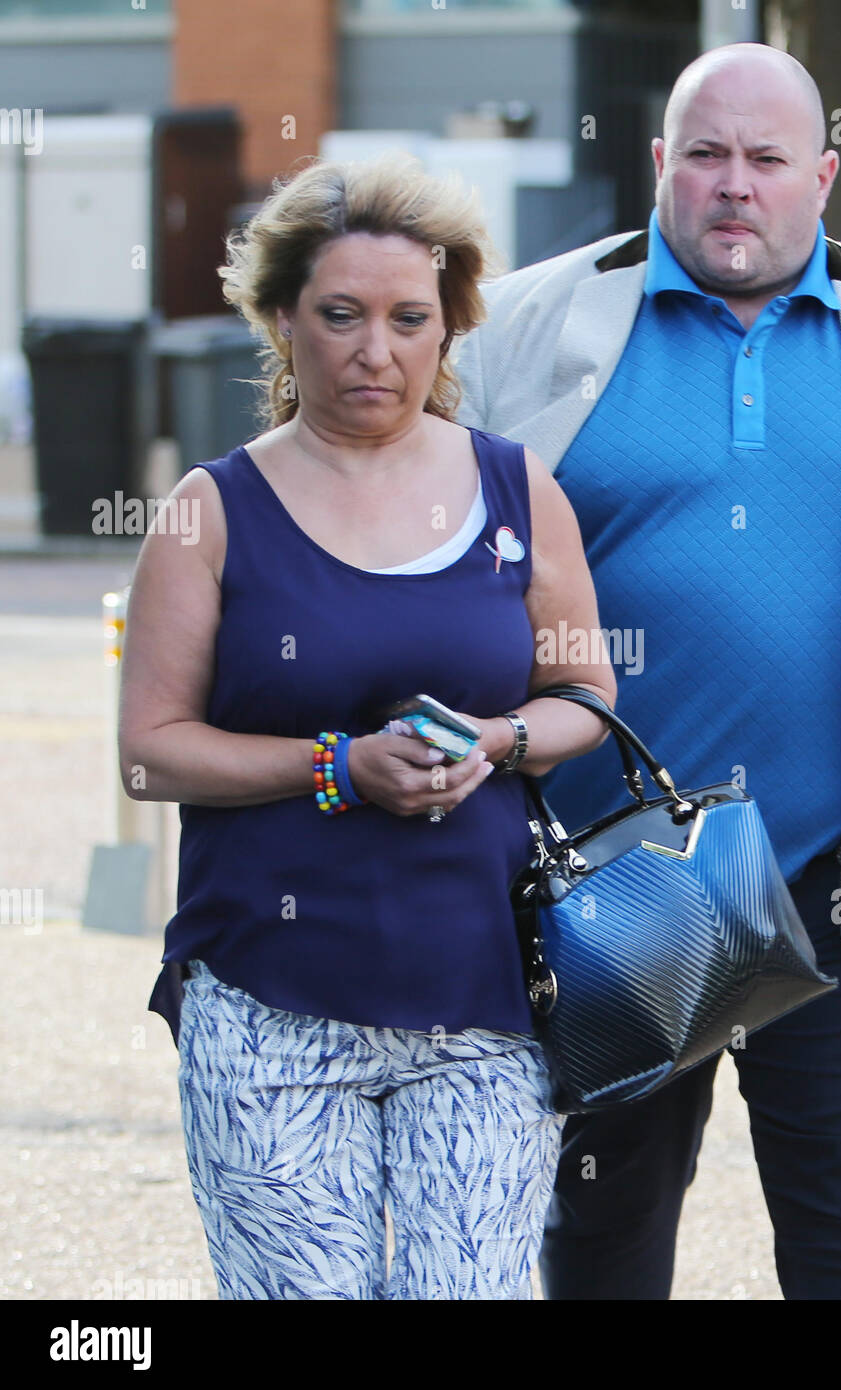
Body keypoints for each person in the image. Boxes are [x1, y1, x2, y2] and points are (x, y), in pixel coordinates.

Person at [453, 43, 841, 1299]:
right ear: (657, 167)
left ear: (821, 174)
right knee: (603, 1212)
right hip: (613, 877)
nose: (732, 185)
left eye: (763, 159)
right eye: (703, 156)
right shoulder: (518, 328)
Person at [119, 154, 616, 1300]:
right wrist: (338, 766)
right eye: (339, 315)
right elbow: (150, 750)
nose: (374, 350)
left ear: (451, 329)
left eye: (409, 318)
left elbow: (585, 694)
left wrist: (496, 741)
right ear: (282, 319)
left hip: (484, 1002)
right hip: (267, 1003)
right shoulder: (211, 509)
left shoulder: (514, 489)